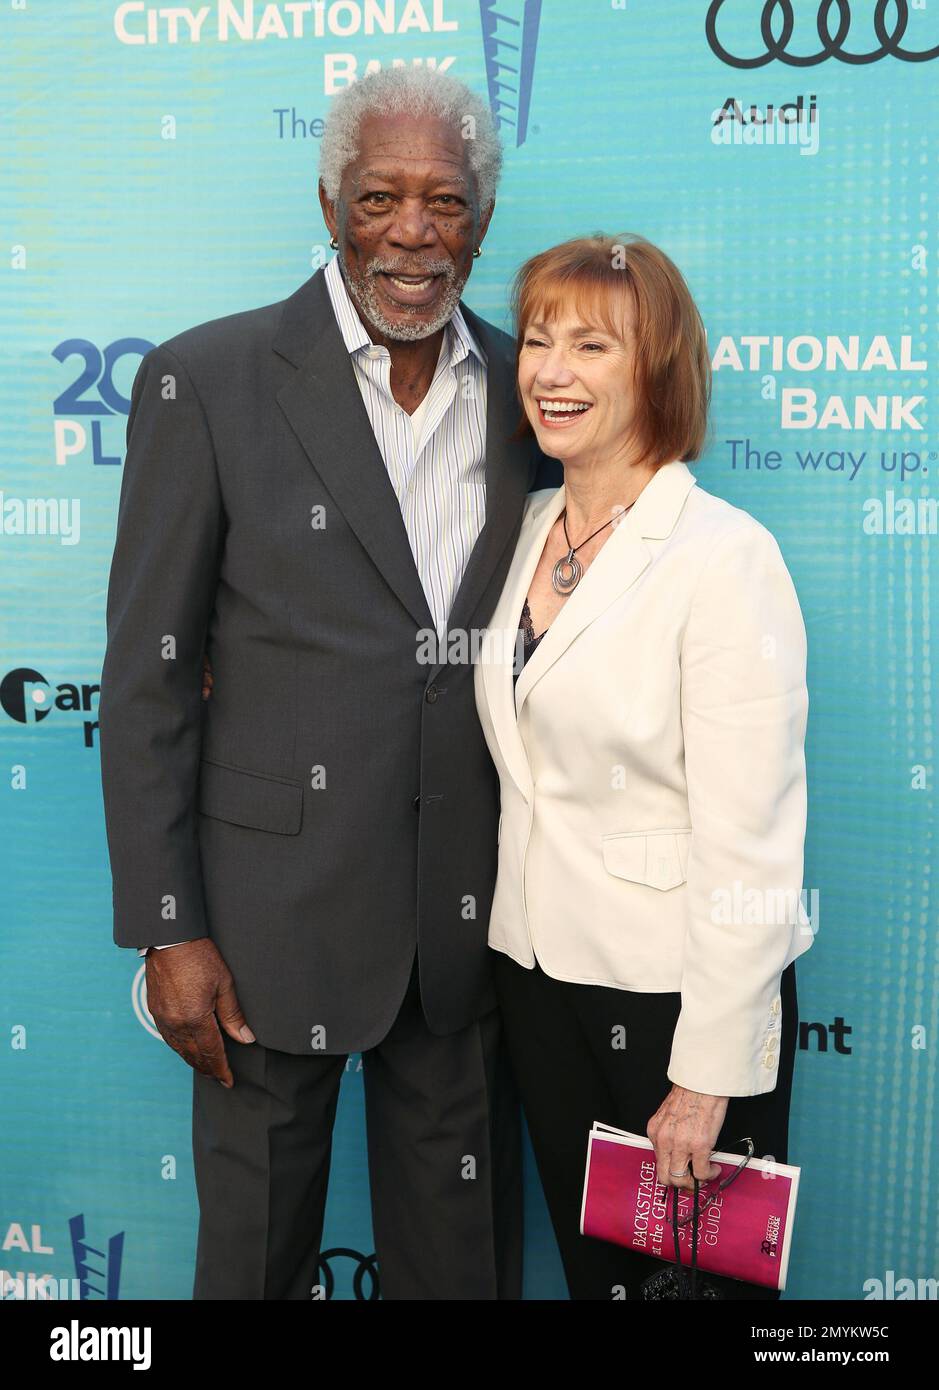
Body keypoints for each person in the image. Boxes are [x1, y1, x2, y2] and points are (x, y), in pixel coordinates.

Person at [98, 66, 560, 1301]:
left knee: (461, 1274)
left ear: (483, 221)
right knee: (249, 1269)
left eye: (445, 203)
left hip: (464, 927)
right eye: (378, 199)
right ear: (327, 201)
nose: (412, 234)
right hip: (258, 930)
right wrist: (168, 927)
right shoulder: (211, 380)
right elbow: (145, 684)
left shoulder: (536, 395)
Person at [473, 233, 815, 1300]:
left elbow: (750, 839)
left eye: (591, 345)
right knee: (600, 1287)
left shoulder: (724, 558)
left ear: (657, 367)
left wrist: (707, 1077)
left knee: (691, 1300)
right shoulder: (521, 529)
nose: (551, 371)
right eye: (536, 340)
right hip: (537, 985)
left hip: (676, 1007)